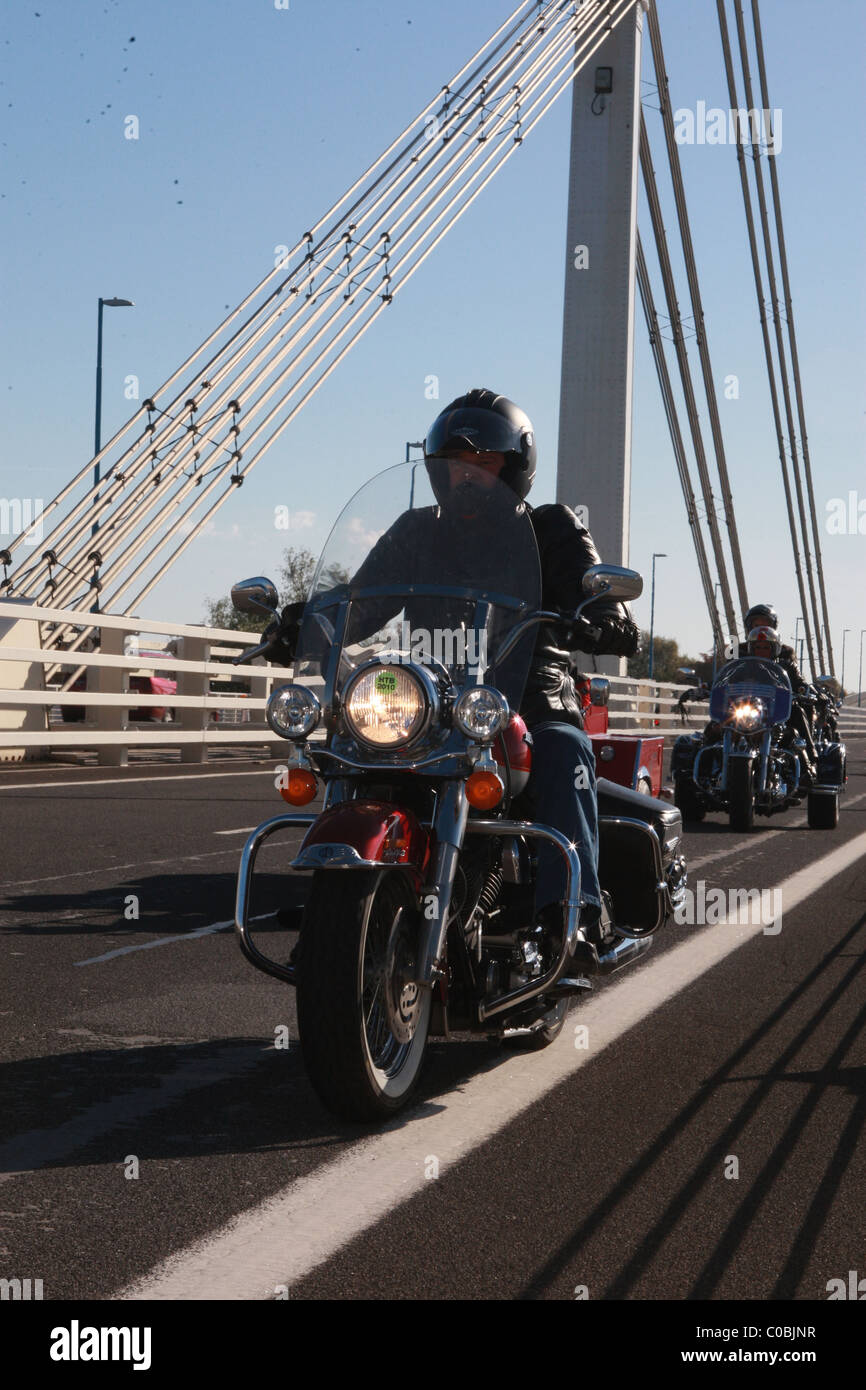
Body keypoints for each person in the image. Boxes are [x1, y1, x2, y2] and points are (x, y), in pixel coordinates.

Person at [272, 388, 639, 970]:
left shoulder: (552, 528)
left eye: (483, 462)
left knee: (564, 750)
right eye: (453, 463)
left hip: (526, 692)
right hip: (436, 697)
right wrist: (305, 619)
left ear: (514, 468)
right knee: (353, 751)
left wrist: (605, 618)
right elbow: (361, 601)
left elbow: (590, 584)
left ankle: (574, 917)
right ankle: (336, 905)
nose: (466, 475)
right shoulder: (417, 530)